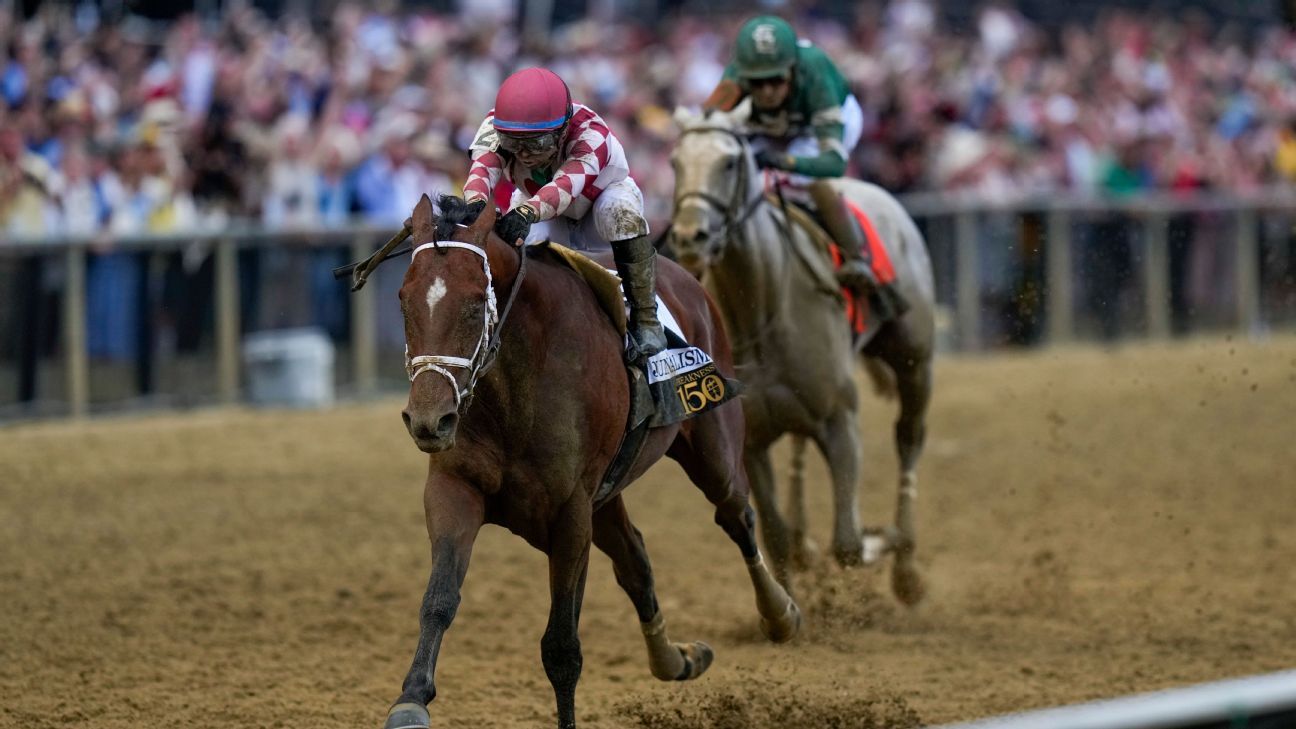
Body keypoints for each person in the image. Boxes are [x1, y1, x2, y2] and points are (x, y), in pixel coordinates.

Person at [704, 15, 907, 321]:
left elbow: (833, 164)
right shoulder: (733, 79)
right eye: (757, 82)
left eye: (776, 80)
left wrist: (783, 162)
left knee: (805, 178)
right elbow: (706, 130)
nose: (767, 91)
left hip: (819, 124)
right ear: (744, 75)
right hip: (770, 129)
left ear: (793, 70)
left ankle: (857, 259)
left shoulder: (815, 75)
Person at [463, 66, 666, 364]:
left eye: (536, 143)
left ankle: (646, 317)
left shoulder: (590, 133)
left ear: (562, 130)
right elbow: (481, 171)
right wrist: (475, 206)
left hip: (598, 202)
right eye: (513, 144)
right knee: (517, 244)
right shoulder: (494, 125)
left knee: (619, 213)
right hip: (540, 206)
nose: (524, 154)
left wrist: (527, 211)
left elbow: (565, 186)